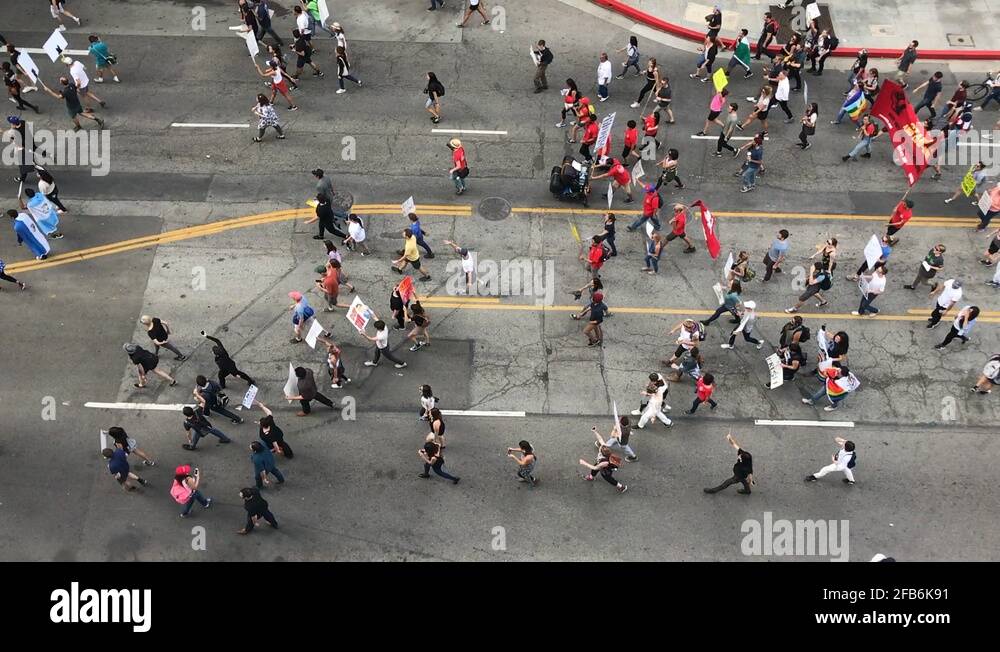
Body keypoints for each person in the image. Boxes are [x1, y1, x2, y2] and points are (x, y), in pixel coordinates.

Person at [39, 76, 105, 131]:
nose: (60, 79)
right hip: (77, 103)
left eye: (60, 79)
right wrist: (78, 84)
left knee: (73, 117)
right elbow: (76, 87)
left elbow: (58, 97)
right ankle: (98, 120)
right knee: (82, 113)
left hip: (71, 107)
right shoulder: (71, 84)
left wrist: (48, 90)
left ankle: (78, 126)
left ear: (62, 83)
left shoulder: (65, 92)